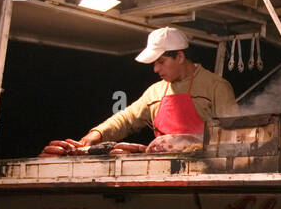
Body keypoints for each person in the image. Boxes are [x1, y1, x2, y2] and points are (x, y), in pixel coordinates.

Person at [78, 27, 239, 145]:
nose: (156, 69)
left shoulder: (215, 87)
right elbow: (126, 119)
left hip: (204, 172)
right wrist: (98, 133)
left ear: (180, 56)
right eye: (154, 63)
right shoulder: (155, 92)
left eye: (161, 62)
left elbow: (235, 134)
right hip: (161, 171)